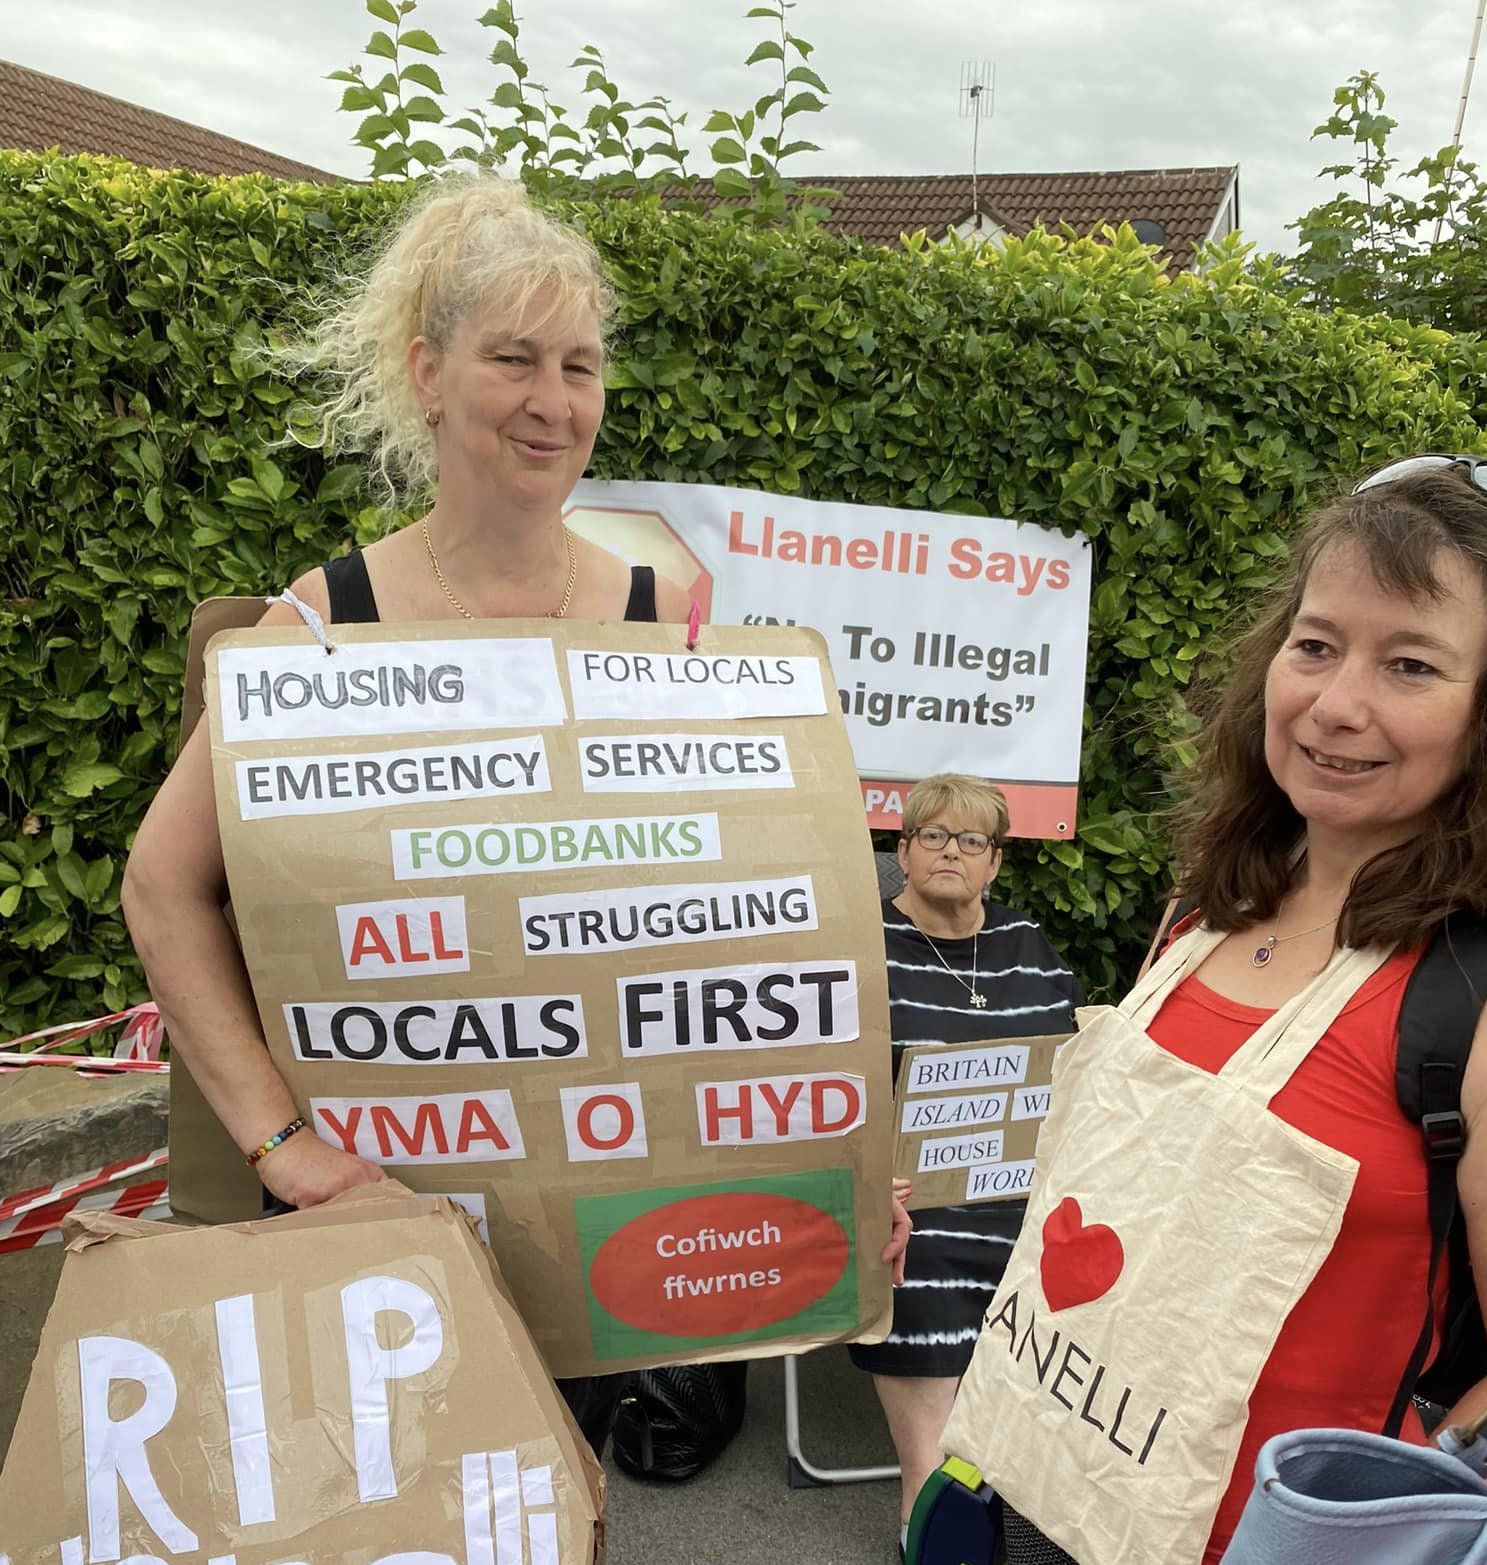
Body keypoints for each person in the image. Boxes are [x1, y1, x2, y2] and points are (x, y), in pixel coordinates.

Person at [122, 175, 906, 1453]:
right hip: (375, 1229)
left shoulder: (676, 626)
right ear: (429, 374)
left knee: (547, 1552)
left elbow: (760, 936)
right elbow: (161, 887)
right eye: (515, 359)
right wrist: (282, 1143)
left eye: (581, 366)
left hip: (593, 1247)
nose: (554, 402)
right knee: (384, 1542)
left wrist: (848, 1167)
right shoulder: (320, 629)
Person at [918, 456, 1487, 1565]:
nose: (1336, 700)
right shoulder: (1213, 890)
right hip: (1078, 1493)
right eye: (1317, 642)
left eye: (1412, 664)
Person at [853, 774, 1083, 1554]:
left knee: (1071, 1250)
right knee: (920, 1244)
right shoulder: (860, 949)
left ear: (994, 864)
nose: (951, 852)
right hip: (907, 1193)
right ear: (902, 850)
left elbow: (1071, 1068)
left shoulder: (1031, 950)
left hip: (1020, 1187)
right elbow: (825, 1088)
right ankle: (930, 1498)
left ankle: (1005, 1470)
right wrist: (863, 1174)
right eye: (933, 836)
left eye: (972, 840)